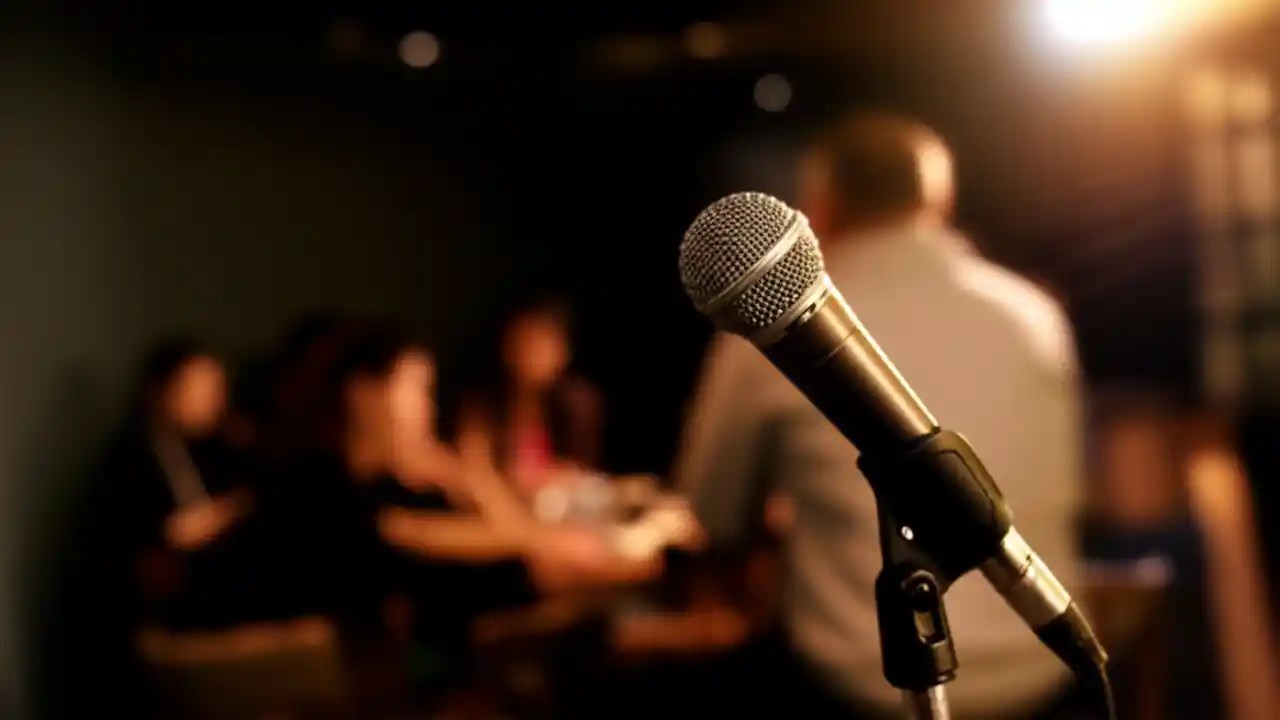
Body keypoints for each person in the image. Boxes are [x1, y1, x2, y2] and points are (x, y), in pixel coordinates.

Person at [675, 112, 1085, 718]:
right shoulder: (1034, 316)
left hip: (858, 691)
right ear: (940, 198)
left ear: (820, 204)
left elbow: (711, 514)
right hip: (1043, 678)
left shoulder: (763, 333)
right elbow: (1071, 494)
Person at [459, 300, 603, 501]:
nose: (532, 352)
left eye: (543, 342)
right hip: (501, 510)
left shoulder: (576, 403)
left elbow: (584, 475)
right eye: (524, 340)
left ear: (563, 351)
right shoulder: (484, 403)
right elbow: (474, 471)